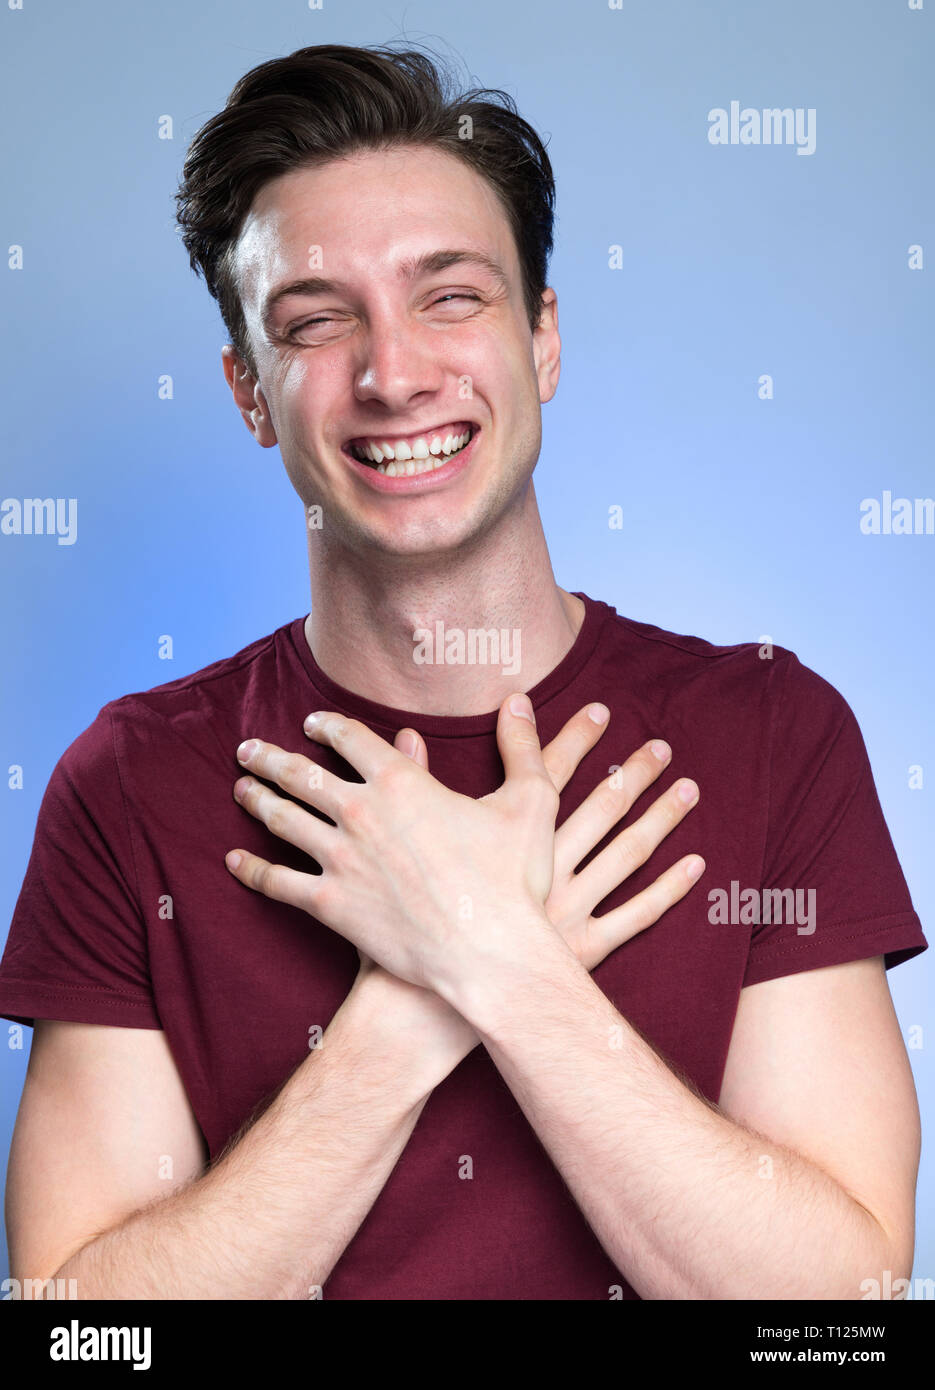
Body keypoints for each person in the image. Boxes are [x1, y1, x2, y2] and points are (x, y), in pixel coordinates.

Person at [1, 44, 925, 1301]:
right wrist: (408, 1012)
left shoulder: (775, 734)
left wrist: (504, 969)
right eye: (318, 322)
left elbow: (833, 1322)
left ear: (541, 339)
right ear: (248, 394)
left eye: (450, 297)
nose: (393, 374)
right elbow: (80, 1341)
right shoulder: (125, 786)